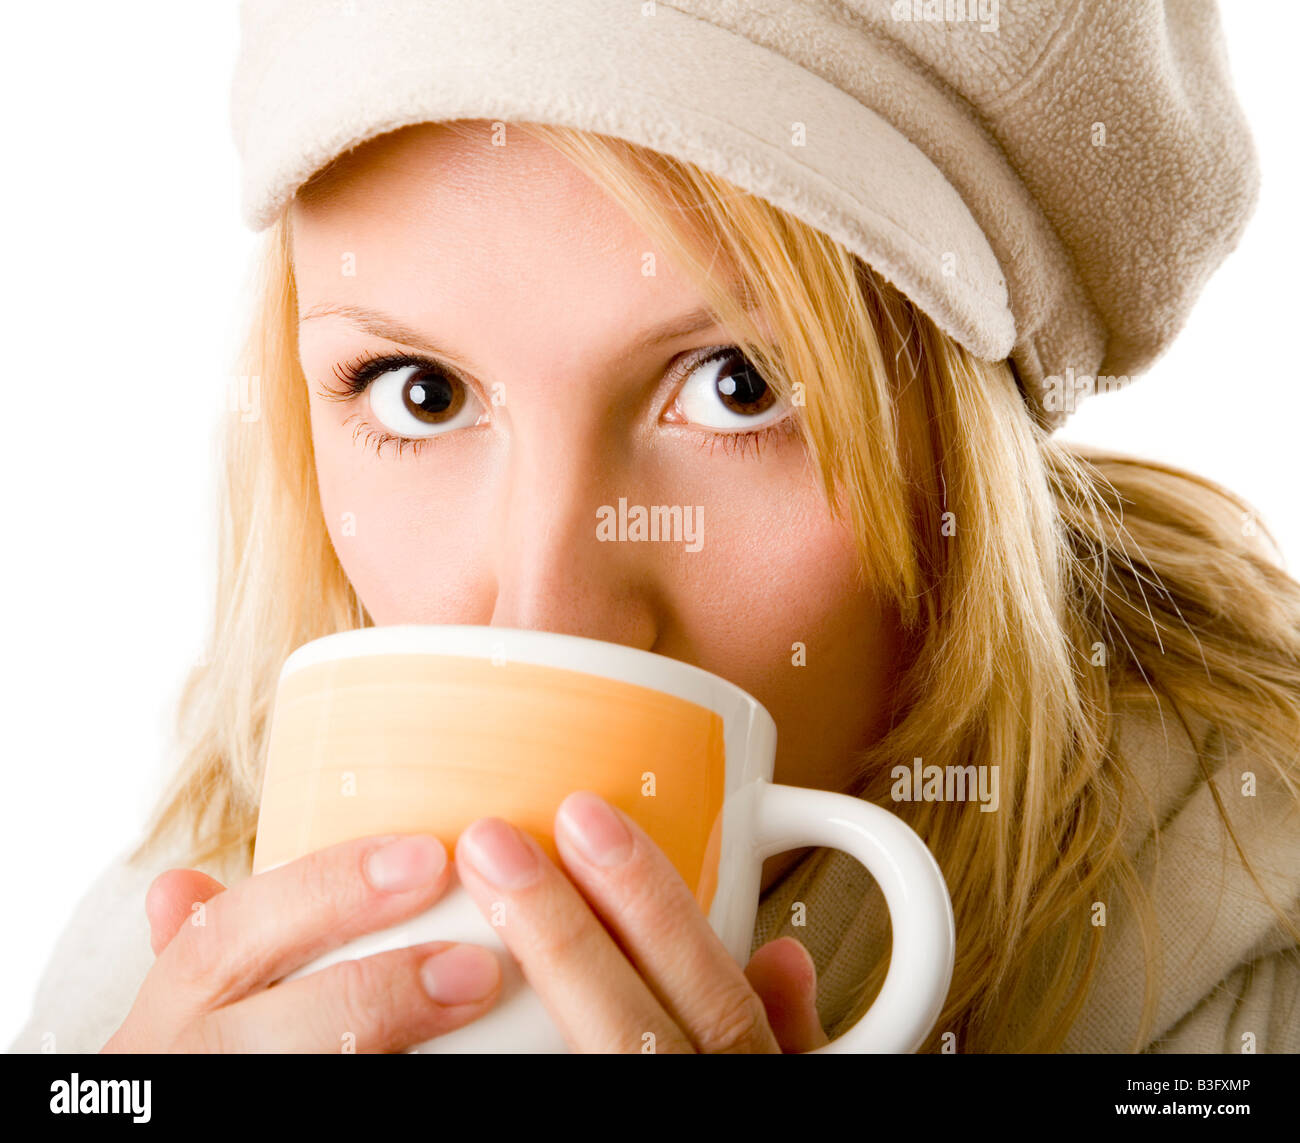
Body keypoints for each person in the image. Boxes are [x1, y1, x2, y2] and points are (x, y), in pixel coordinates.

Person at [11, 0, 1300, 1054]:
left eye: (738, 385)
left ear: (966, 468)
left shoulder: (1244, 975)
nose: (543, 608)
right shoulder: (154, 972)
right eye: (421, 392)